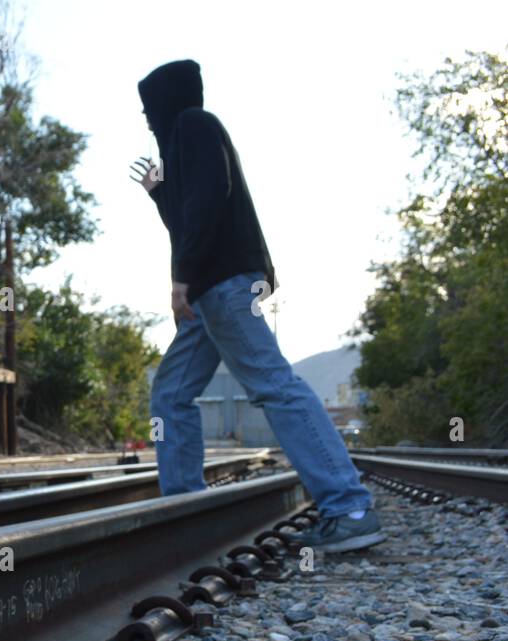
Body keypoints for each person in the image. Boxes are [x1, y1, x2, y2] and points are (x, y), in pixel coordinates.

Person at [132, 59, 384, 553]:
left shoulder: (195, 125)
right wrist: (160, 196)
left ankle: (349, 506)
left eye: (148, 108)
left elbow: (209, 202)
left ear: (168, 101)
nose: (146, 119)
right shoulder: (186, 140)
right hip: (211, 292)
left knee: (273, 385)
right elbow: (188, 218)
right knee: (170, 396)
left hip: (222, 284)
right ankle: (185, 508)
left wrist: (179, 279)